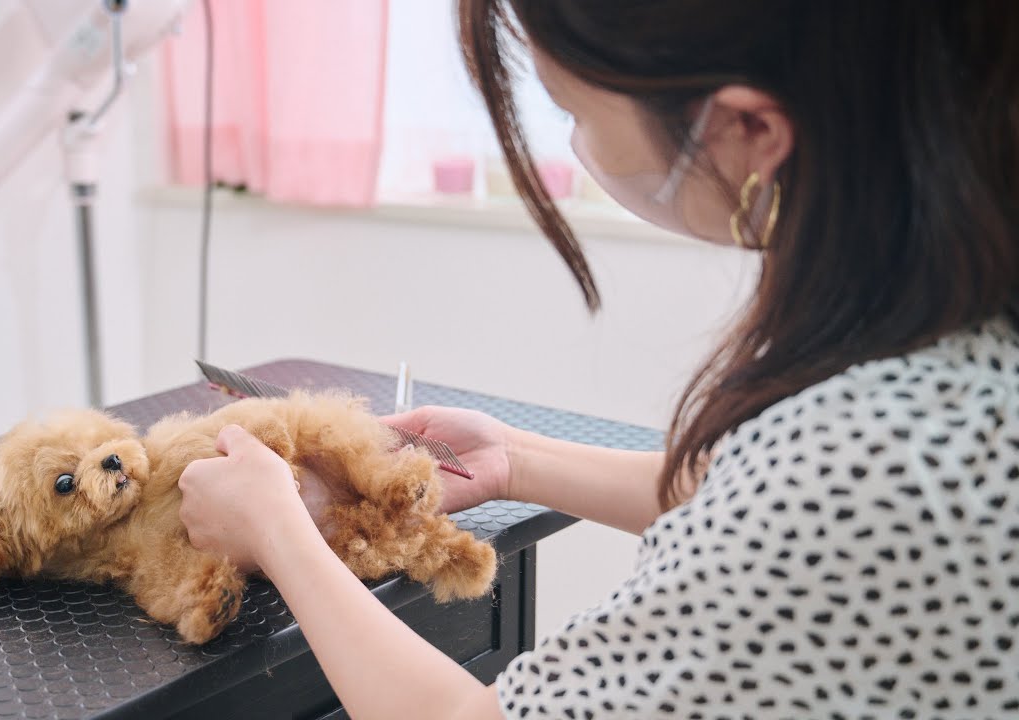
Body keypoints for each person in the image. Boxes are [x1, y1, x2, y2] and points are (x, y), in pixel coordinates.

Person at [177, 1, 1019, 717]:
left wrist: (279, 535)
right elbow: (746, 494)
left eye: (573, 109)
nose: (576, 143)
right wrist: (517, 460)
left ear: (748, 125)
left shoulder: (876, 462)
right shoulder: (943, 326)